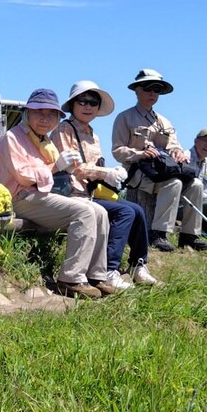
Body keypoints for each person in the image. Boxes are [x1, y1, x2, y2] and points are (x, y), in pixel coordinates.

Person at [0, 88, 115, 299]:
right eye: (39, 112)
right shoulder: (13, 137)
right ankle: (70, 279)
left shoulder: (44, 141)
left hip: (40, 196)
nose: (45, 118)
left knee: (99, 211)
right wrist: (55, 167)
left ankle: (96, 275)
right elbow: (24, 177)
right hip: (19, 197)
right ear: (27, 114)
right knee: (84, 212)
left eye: (51, 114)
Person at [52, 81, 159, 287]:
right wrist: (106, 172)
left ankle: (138, 264)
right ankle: (109, 269)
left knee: (136, 210)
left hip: (91, 194)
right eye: (82, 101)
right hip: (72, 194)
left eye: (93, 103)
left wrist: (109, 174)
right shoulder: (63, 130)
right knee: (124, 212)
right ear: (73, 104)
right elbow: (73, 168)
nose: (88, 106)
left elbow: (95, 165)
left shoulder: (93, 135)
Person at [110, 69, 207, 252]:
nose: (152, 93)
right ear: (137, 90)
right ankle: (159, 233)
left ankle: (189, 236)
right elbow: (117, 151)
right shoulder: (124, 118)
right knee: (174, 184)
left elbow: (174, 145)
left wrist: (178, 153)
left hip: (163, 171)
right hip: (138, 174)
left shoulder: (164, 121)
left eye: (156, 90)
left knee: (196, 184)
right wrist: (140, 154)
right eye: (148, 88)